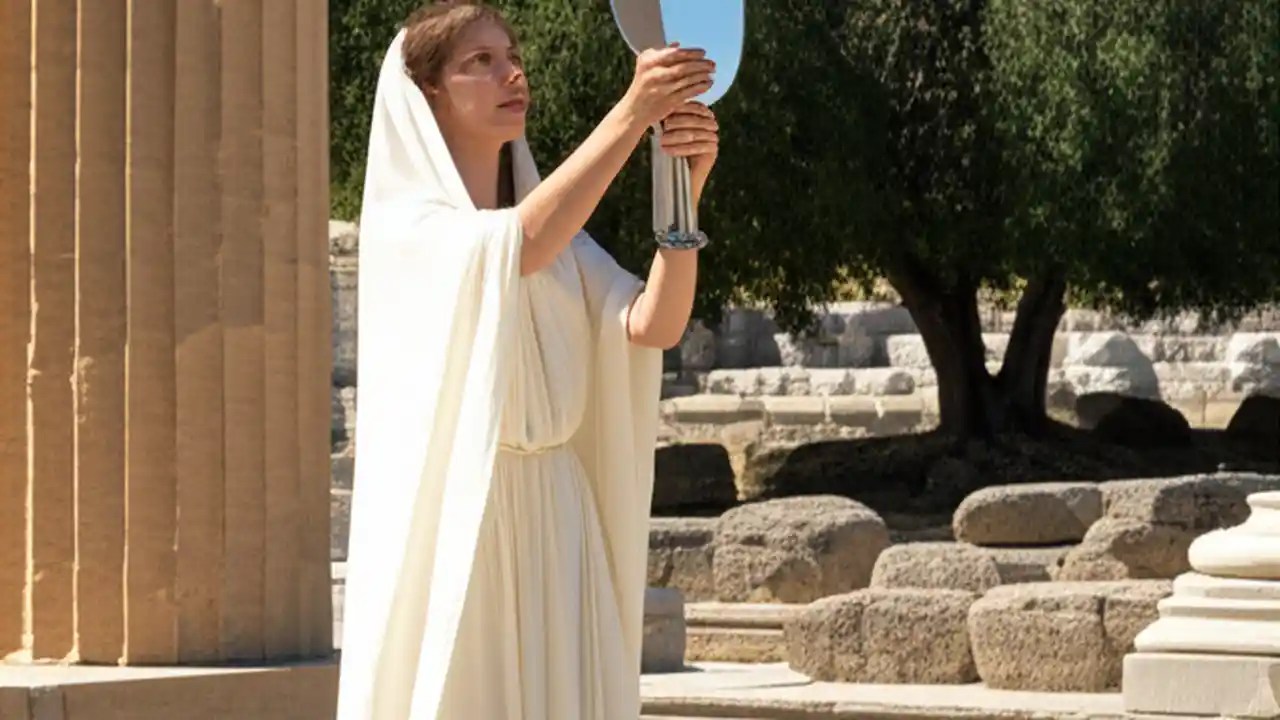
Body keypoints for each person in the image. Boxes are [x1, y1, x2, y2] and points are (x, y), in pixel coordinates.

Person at [335, 2, 719, 718]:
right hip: (470, 527)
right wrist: (632, 114)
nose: (511, 72)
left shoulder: (558, 245)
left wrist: (683, 203)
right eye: (478, 61)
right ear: (428, 96)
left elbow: (651, 326)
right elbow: (514, 247)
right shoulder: (411, 229)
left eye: (512, 56)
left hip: (558, 523)